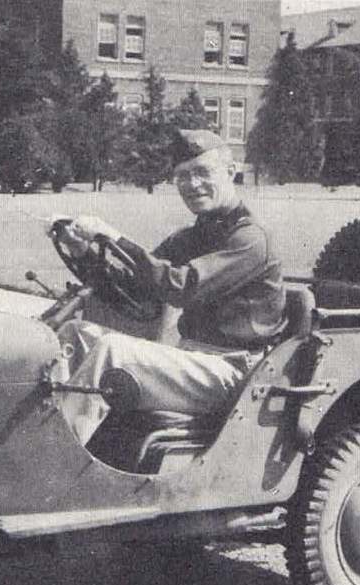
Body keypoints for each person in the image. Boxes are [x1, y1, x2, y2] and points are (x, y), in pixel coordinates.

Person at [52, 129, 286, 445]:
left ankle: (53, 452)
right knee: (73, 334)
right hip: (193, 360)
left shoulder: (251, 238)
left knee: (113, 352)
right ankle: (41, 428)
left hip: (235, 373)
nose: (191, 185)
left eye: (203, 172)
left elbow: (181, 287)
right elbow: (136, 290)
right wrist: (84, 253)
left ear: (231, 172)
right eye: (182, 176)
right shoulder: (192, 237)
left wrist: (113, 236)